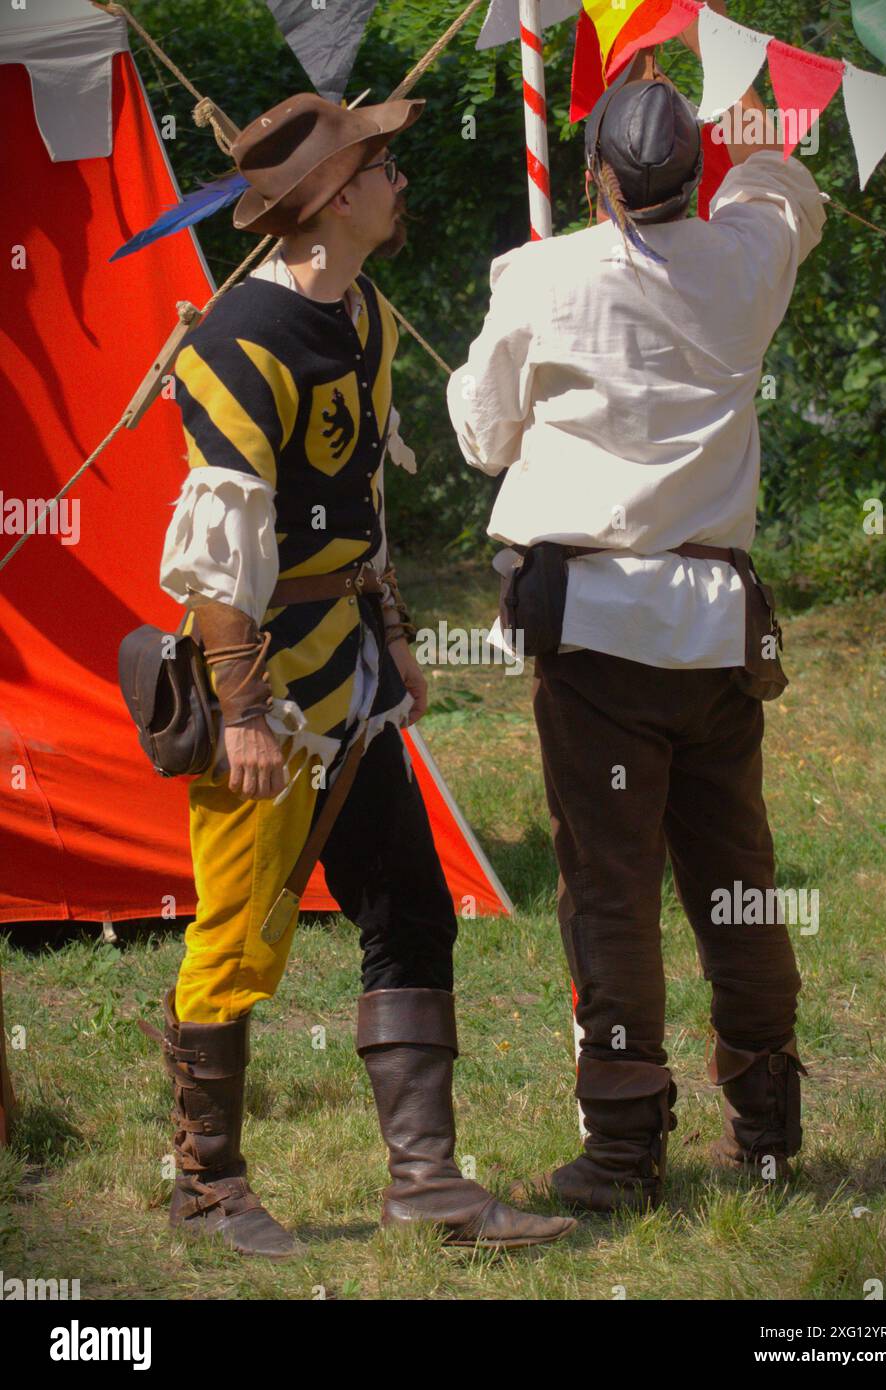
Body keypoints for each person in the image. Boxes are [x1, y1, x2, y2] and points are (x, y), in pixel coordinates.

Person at [142, 91, 574, 1256]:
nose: (396, 181)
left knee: (410, 906)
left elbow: (360, 507)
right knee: (237, 931)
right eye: (378, 167)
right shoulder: (235, 345)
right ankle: (208, 1180)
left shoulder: (368, 316)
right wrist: (238, 711)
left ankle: (426, 1179)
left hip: (352, 672)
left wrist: (391, 633)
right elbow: (220, 548)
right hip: (264, 677)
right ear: (334, 198)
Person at [447, 3, 826, 1212]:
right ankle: (766, 1132)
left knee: (610, 890)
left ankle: (620, 1154)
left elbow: (478, 434)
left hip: (604, 642)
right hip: (713, 637)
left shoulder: (540, 274)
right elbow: (784, 181)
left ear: (597, 178)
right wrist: (729, 96)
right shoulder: (748, 258)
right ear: (693, 171)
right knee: (740, 881)